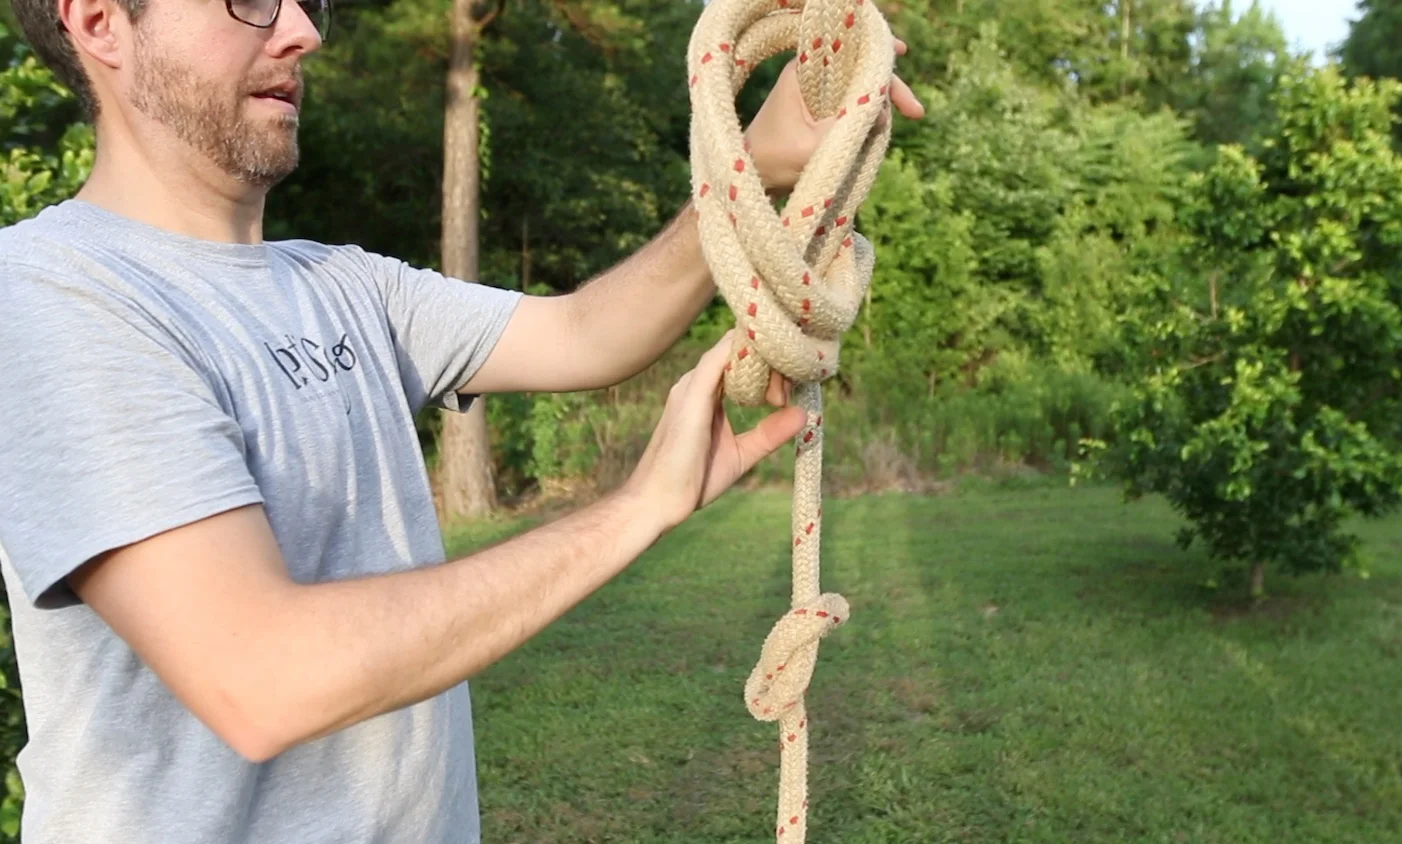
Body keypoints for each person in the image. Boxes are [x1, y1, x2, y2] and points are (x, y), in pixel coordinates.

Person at [0, 0, 924, 839]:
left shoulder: (340, 284)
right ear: (99, 23)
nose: (303, 32)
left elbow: (583, 334)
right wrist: (637, 508)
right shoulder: (50, 299)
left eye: (304, 0)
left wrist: (754, 158)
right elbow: (263, 675)